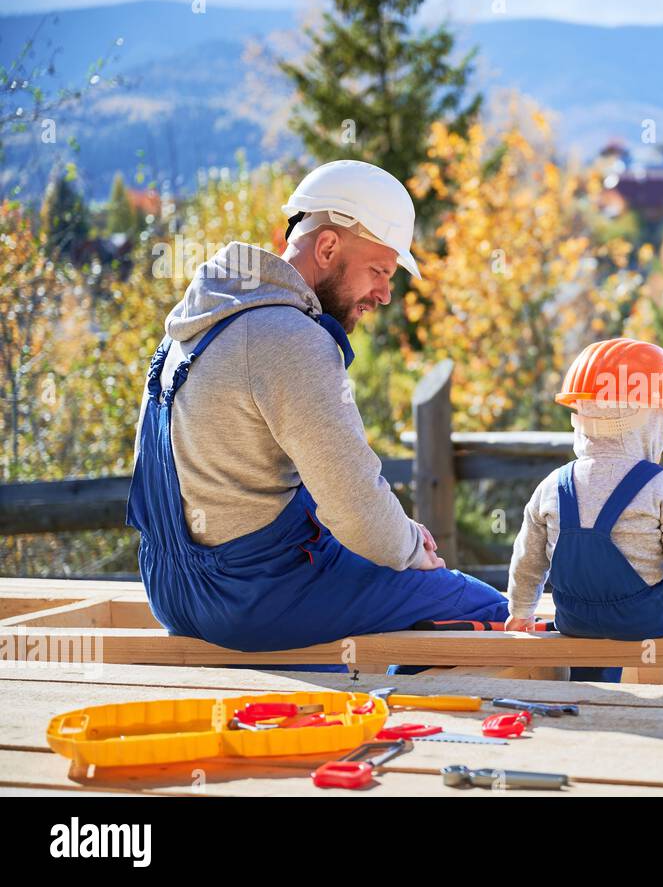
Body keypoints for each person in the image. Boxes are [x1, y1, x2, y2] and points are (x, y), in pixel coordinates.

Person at [126, 160, 508, 657]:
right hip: (249, 597)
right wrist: (414, 551)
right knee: (479, 608)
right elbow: (357, 511)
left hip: (168, 587)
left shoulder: (198, 322)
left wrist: (396, 534)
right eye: (378, 270)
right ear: (328, 247)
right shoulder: (290, 338)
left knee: (364, 613)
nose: (385, 294)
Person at [504, 339, 663, 686]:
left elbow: (527, 560)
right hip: (646, 617)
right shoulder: (660, 487)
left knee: (593, 640)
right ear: (653, 421)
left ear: (579, 415)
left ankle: (591, 693)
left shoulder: (552, 484)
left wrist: (520, 612)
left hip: (575, 619)